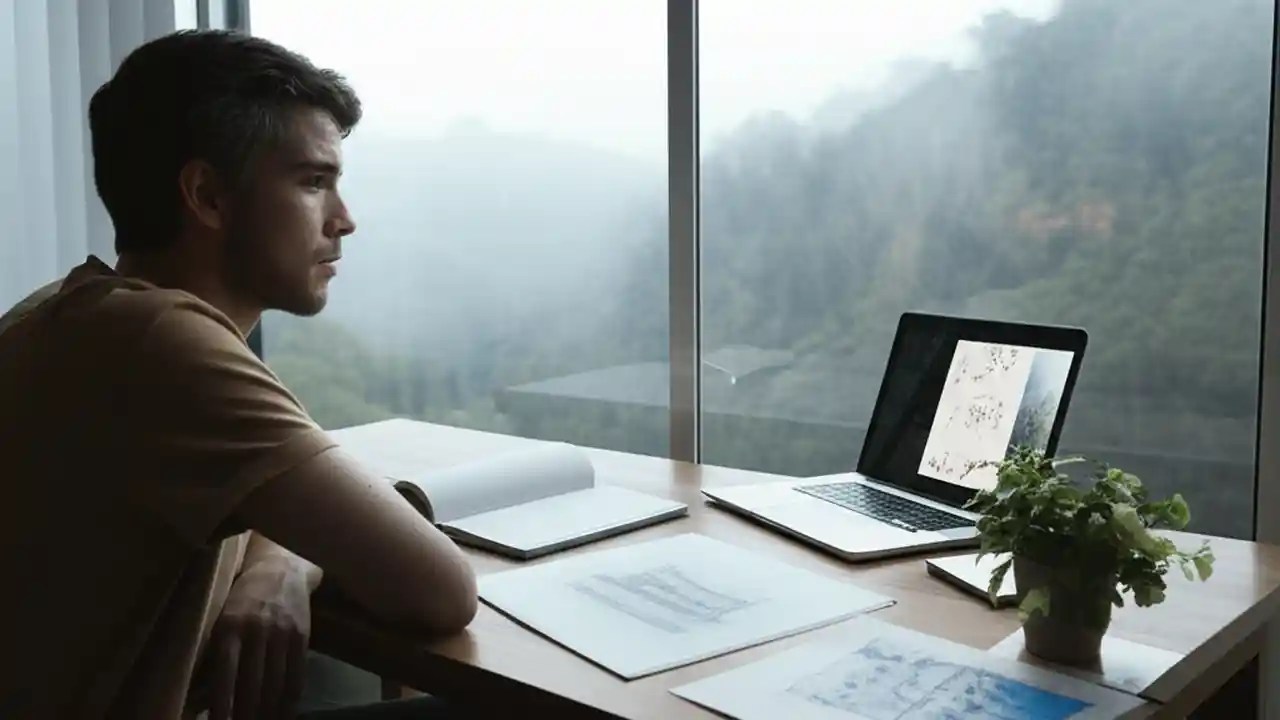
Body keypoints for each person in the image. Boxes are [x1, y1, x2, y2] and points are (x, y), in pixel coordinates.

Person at [0, 30, 478, 720]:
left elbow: (268, 493)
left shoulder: (67, 311)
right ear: (208, 197)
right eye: (314, 182)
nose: (344, 221)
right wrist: (288, 557)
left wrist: (278, 558)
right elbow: (440, 590)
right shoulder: (162, 346)